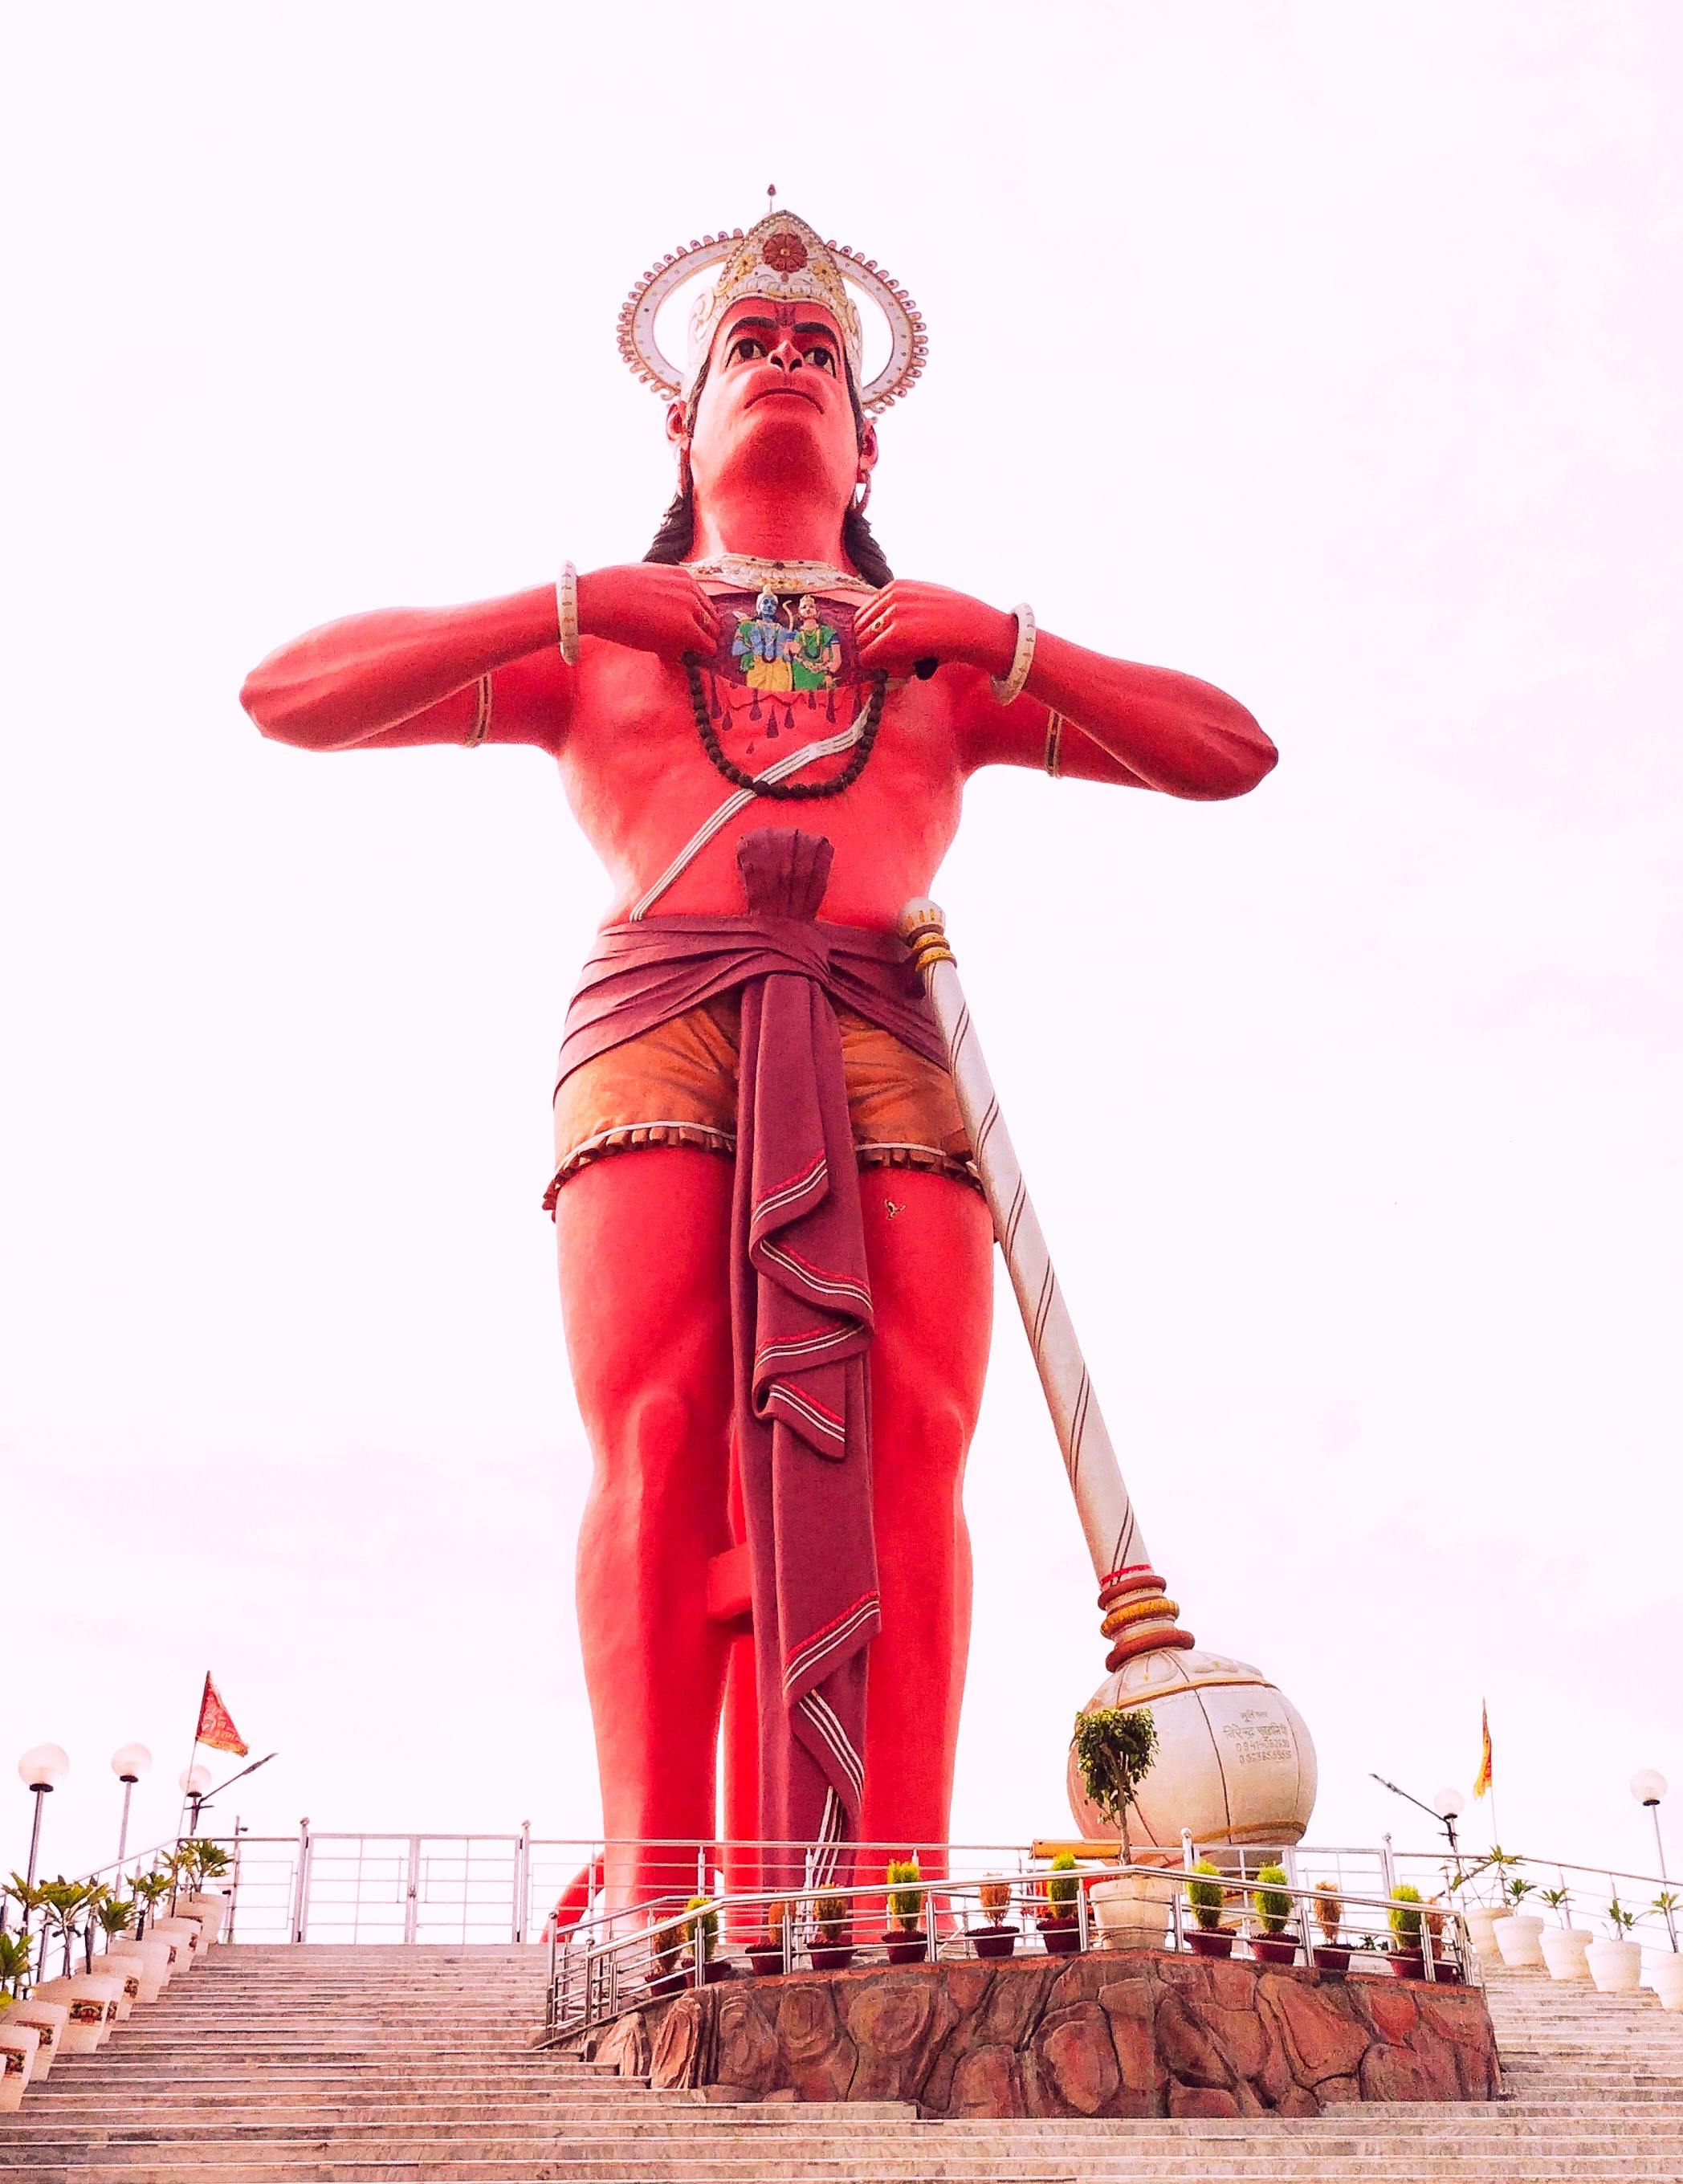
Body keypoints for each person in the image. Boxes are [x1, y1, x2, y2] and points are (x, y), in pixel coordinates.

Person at [241, 210, 1276, 1906]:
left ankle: (881, 1890)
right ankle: (662, 1889)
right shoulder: (602, 639)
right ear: (680, 418)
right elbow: (286, 692)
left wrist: (1004, 640)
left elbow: (1230, 751)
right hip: (662, 1015)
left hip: (886, 1030)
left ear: (872, 441)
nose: (786, 357)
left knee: (918, 1444)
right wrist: (572, 598)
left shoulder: (936, 660)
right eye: (751, 343)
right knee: (659, 1433)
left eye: (819, 351)